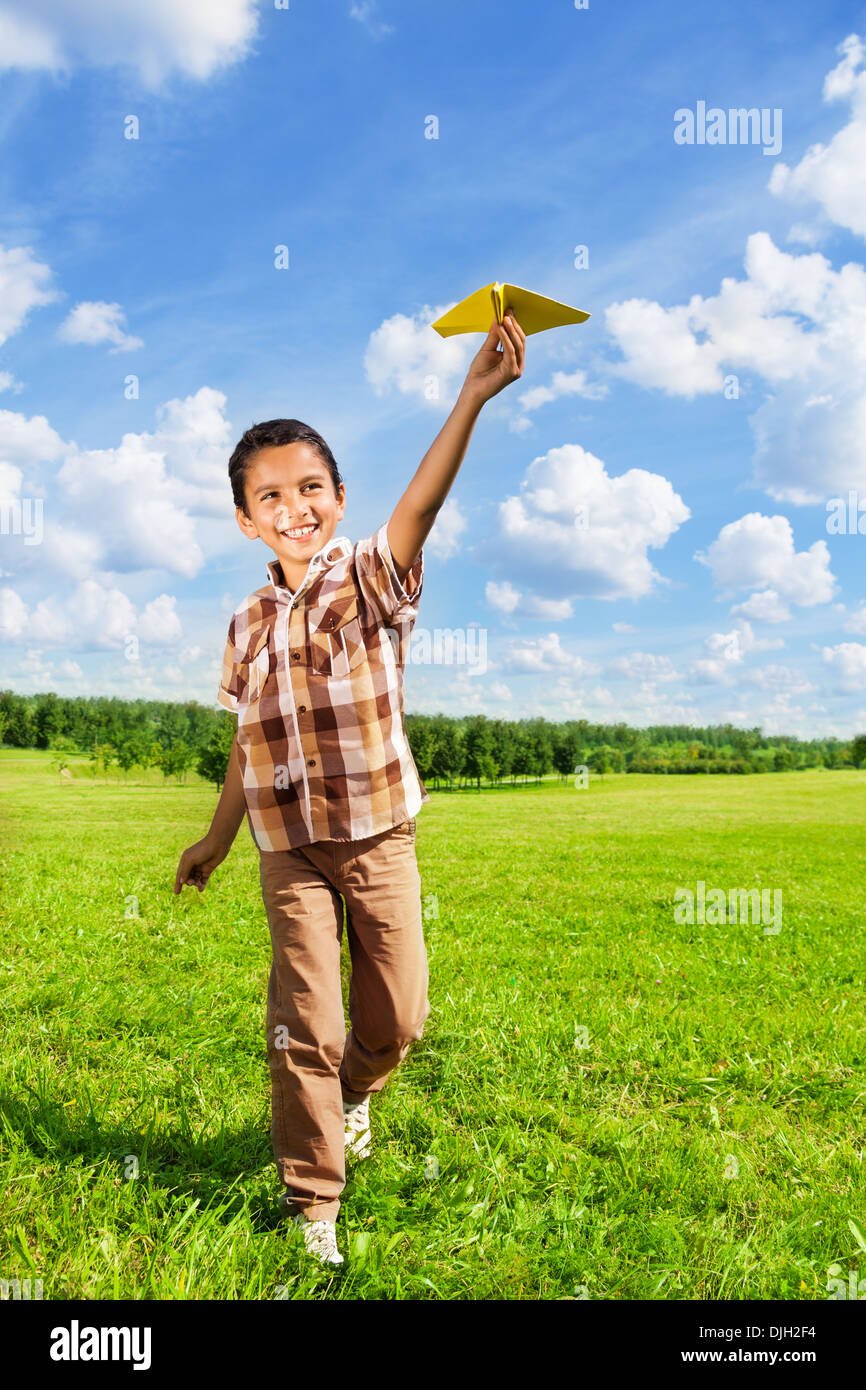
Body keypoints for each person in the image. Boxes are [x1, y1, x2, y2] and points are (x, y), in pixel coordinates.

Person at [174, 311, 526, 1266]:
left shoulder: (368, 577)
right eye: (271, 495)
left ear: (338, 496)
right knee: (306, 1022)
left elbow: (420, 508)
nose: (295, 505)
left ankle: (361, 1090)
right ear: (246, 518)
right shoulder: (245, 622)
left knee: (398, 1015)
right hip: (285, 847)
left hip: (377, 836)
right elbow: (247, 745)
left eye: (311, 487)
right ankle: (314, 1202)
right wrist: (214, 839)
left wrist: (471, 398)